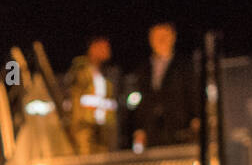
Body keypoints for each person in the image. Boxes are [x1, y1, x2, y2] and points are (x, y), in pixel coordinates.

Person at [128, 22, 200, 150]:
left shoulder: (185, 65)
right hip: (152, 133)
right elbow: (139, 100)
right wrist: (139, 129)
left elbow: (193, 93)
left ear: (173, 37)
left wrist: (195, 118)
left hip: (180, 129)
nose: (161, 40)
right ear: (150, 39)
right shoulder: (142, 69)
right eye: (157, 36)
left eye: (165, 36)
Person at [65, 36, 118, 154]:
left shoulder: (107, 71)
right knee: (87, 157)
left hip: (104, 126)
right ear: (93, 47)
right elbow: (76, 97)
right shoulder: (81, 69)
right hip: (85, 127)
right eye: (103, 47)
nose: (107, 51)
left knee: (104, 157)